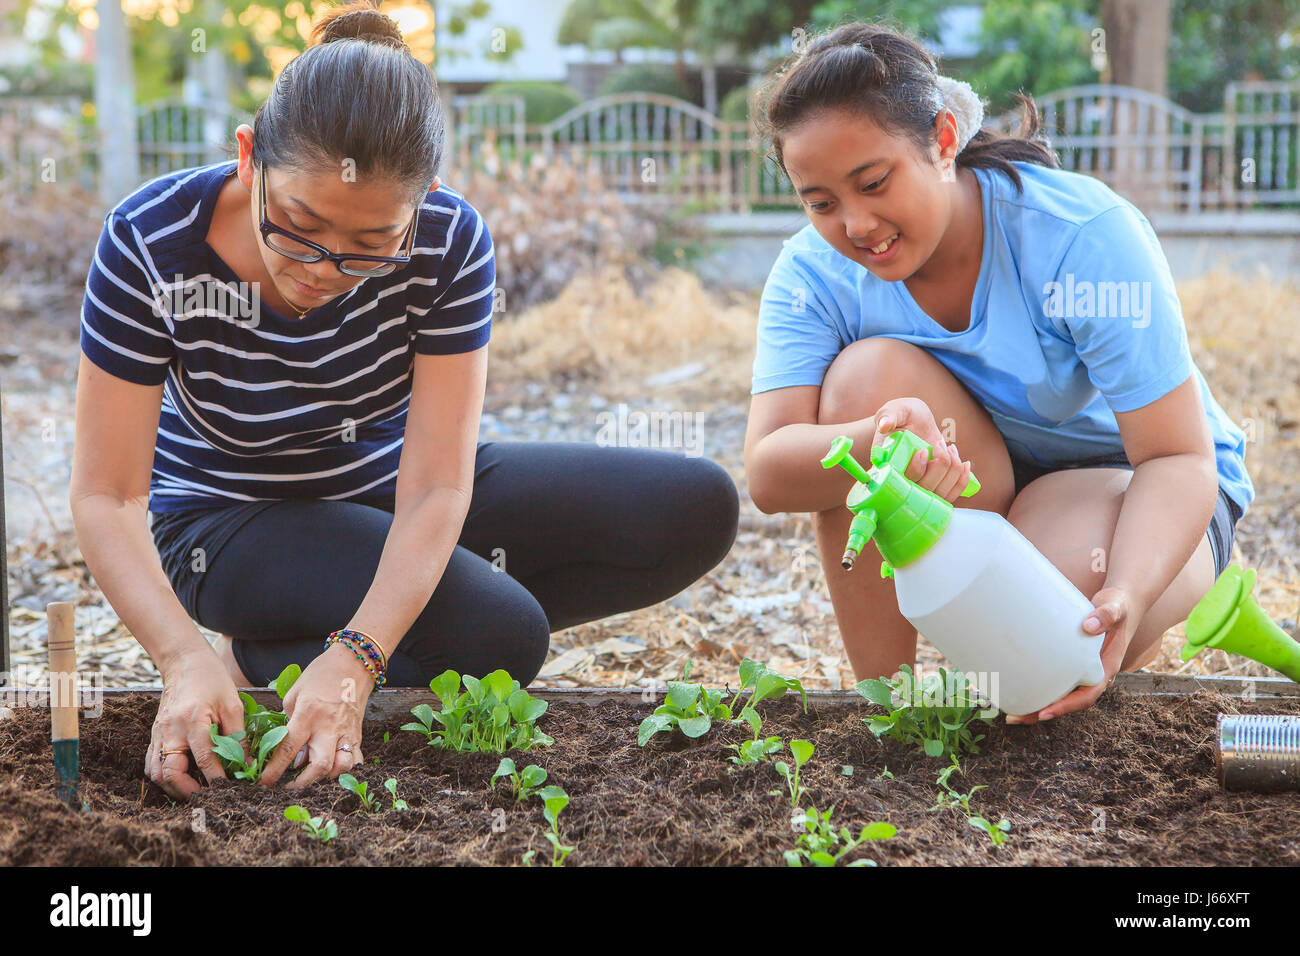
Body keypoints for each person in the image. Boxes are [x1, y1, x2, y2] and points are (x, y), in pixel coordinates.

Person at [69, 1, 738, 801]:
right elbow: (107, 495)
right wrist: (182, 658)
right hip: (230, 522)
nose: (322, 268)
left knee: (695, 505)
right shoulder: (151, 240)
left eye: (370, 248)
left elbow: (436, 486)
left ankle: (316, 645)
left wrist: (355, 656)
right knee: (503, 635)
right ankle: (250, 654)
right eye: (298, 226)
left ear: (419, 207)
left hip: (391, 490)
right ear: (248, 159)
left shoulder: (450, 242)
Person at [743, 22, 1252, 724]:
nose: (855, 225)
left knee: (1048, 630)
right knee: (864, 379)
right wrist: (882, 439)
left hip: (1140, 482)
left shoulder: (1080, 235)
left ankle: (1037, 640)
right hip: (990, 481)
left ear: (943, 140)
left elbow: (1176, 457)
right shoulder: (811, 273)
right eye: (820, 202)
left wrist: (1127, 596)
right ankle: (890, 713)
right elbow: (770, 473)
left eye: (873, 182)